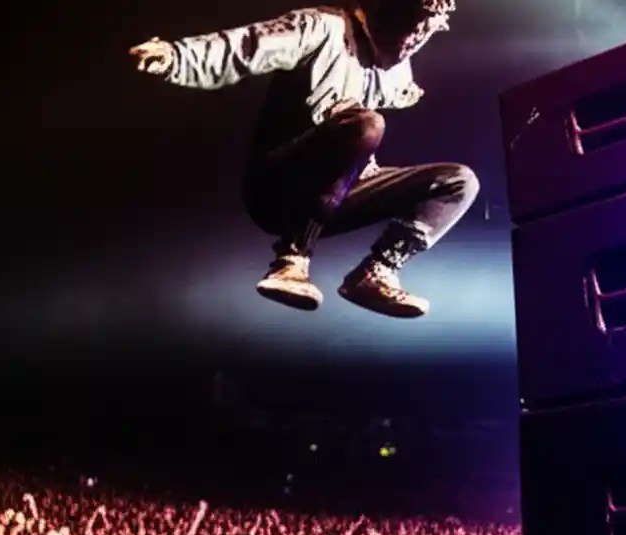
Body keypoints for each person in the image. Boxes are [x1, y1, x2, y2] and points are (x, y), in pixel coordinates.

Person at [129, 0, 478, 318]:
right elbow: (246, 45)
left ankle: (375, 272)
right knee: (365, 125)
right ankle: (292, 259)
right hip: (277, 186)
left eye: (422, 36)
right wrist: (177, 56)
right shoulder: (322, 27)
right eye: (409, 31)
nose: (410, 46)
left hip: (335, 193)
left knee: (458, 181)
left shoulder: (396, 69)